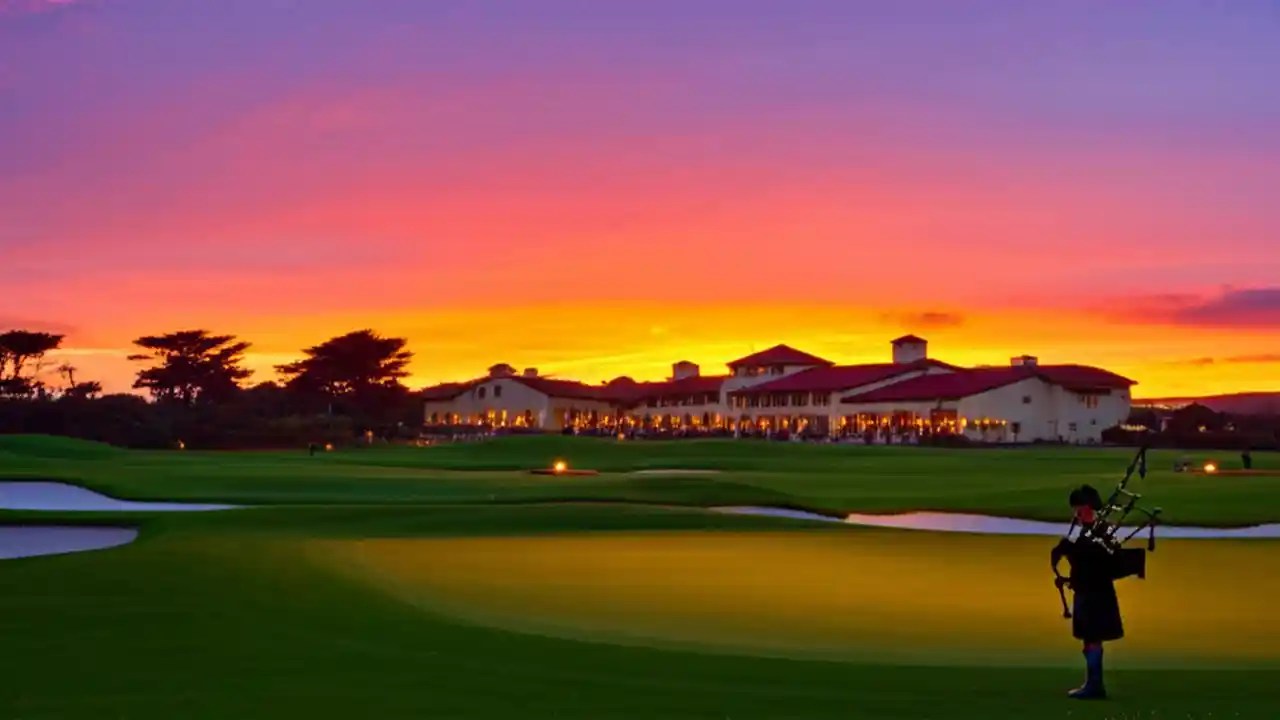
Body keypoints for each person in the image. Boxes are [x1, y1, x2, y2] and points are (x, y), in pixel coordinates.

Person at [1050, 484, 1143, 700]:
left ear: (1088, 507)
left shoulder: (1103, 531)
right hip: (1088, 590)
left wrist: (1072, 550)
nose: (1076, 513)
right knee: (1090, 638)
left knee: (1092, 637)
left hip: (1096, 592)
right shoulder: (1087, 530)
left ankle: (1094, 686)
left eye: (1079, 508)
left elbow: (1103, 561)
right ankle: (1093, 683)